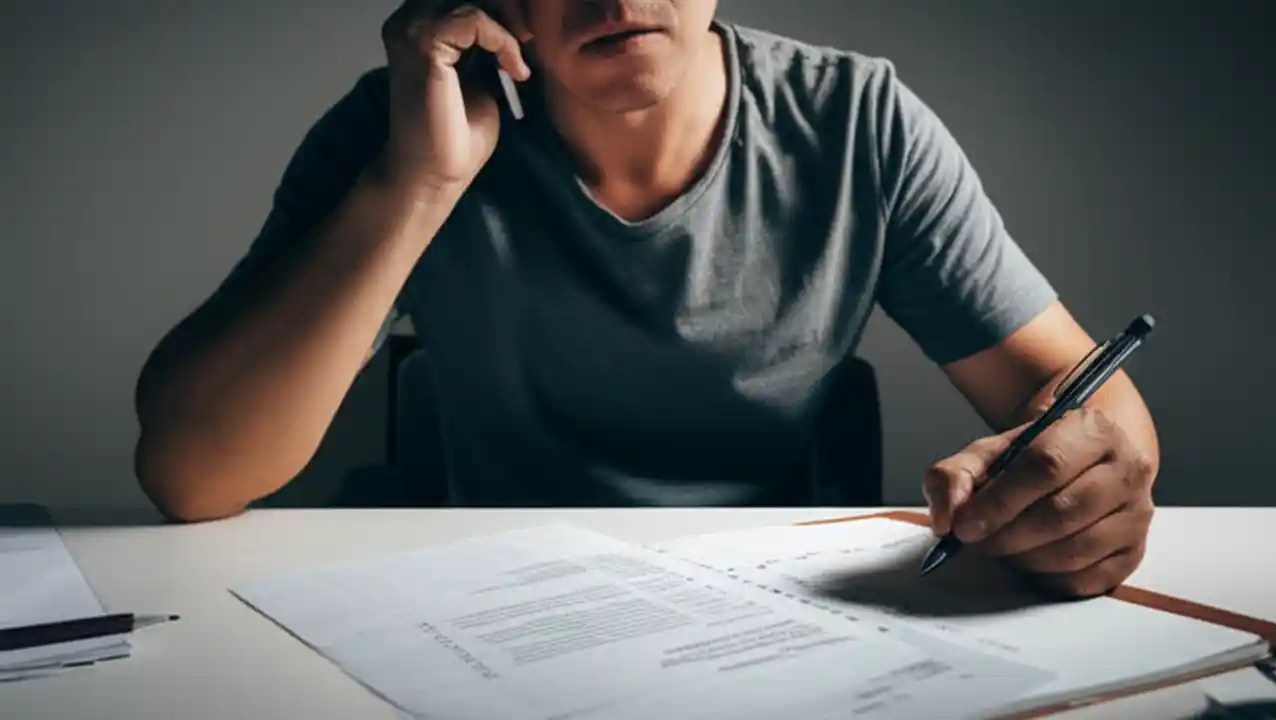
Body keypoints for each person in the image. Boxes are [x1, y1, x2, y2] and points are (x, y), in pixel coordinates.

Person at [133, 0, 1159, 597]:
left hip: (774, 616)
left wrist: (1091, 480)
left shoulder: (855, 121)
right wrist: (418, 184)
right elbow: (191, 474)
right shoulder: (400, 126)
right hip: (485, 601)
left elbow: (1081, 391)